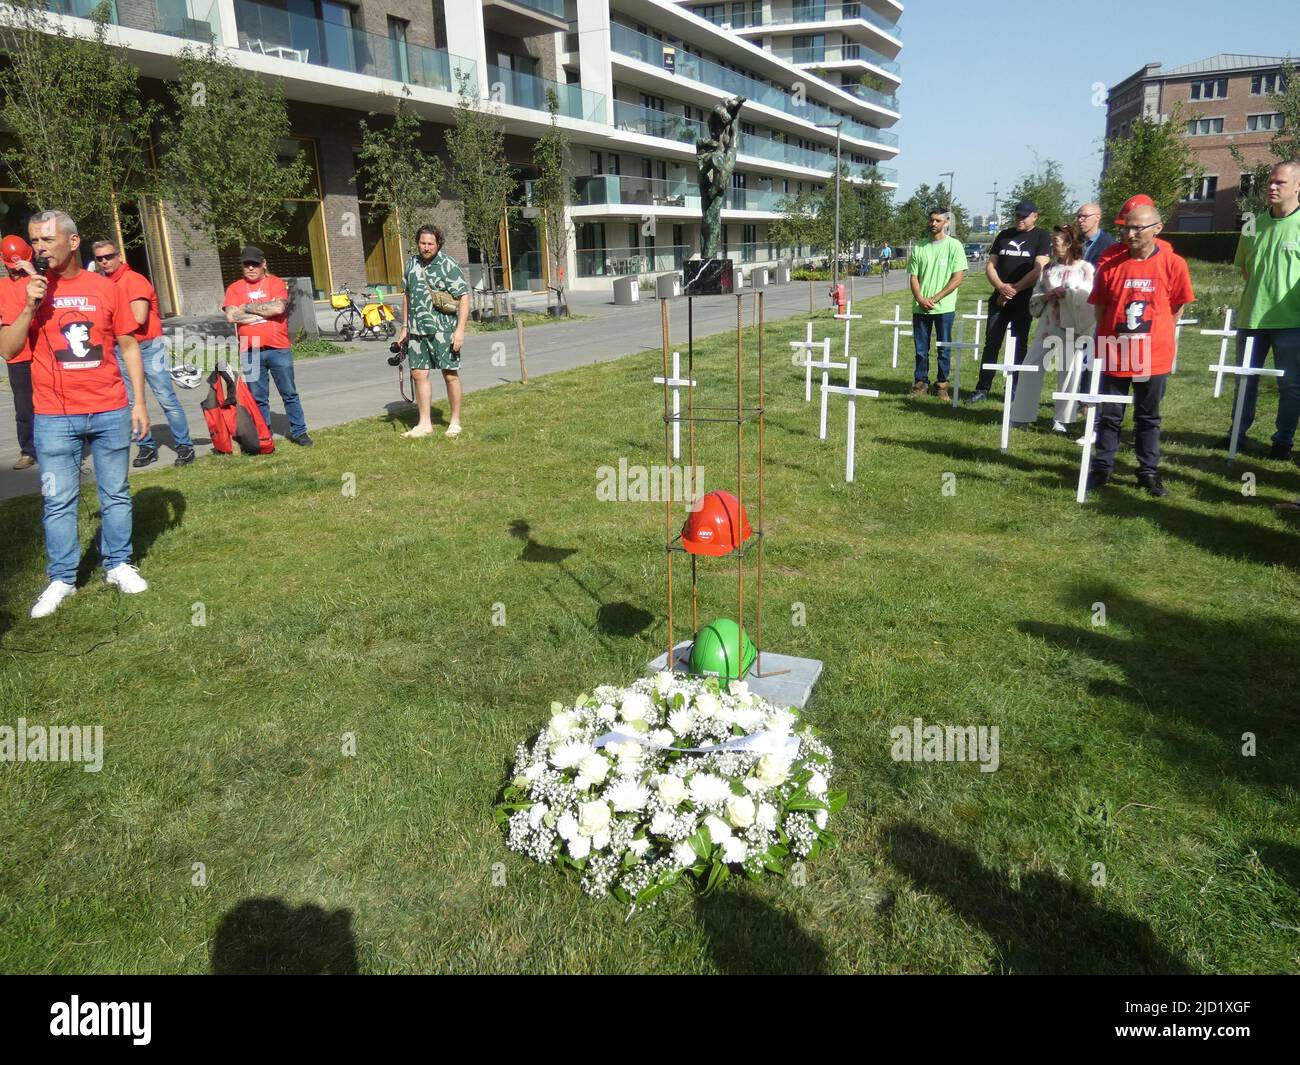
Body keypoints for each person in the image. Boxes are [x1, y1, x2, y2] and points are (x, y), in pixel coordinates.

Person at [0, 210, 150, 618]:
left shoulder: (105, 287)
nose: (39, 248)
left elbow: (129, 346)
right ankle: (62, 577)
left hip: (109, 407)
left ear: (73, 241)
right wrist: (30, 306)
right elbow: (8, 349)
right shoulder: (25, 290)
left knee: (115, 492)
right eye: (35, 241)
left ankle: (118, 563)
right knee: (57, 499)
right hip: (53, 416)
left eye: (47, 240)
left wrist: (138, 402)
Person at [1086, 203, 1195, 497]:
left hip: (1152, 356)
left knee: (1148, 417)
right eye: (1126, 227)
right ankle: (1102, 466)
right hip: (1114, 352)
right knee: (1109, 414)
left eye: (1137, 228)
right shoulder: (1111, 262)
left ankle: (1147, 470)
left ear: (1157, 229)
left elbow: (1177, 308)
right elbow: (1100, 308)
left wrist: (1156, 336)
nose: (1130, 233)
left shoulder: (1174, 264)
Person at [91, 239, 195, 468]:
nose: (105, 261)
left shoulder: (133, 280)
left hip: (147, 347)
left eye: (108, 256)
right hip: (120, 348)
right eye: (99, 258)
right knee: (130, 402)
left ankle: (184, 445)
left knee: (166, 398)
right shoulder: (103, 284)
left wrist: (104, 323)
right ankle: (146, 447)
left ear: (119, 256)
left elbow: (138, 317)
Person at [1223, 160, 1300, 459]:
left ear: (1297, 186)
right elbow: (1246, 270)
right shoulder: (1253, 223)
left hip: (1292, 322)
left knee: (1291, 385)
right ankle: (1237, 436)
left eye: (1280, 182)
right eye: (1270, 181)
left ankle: (1282, 443)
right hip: (1251, 318)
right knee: (1245, 381)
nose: (1272, 186)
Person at [222, 246, 311, 446]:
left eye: (255, 264)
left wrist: (246, 308)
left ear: (264, 264)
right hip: (250, 351)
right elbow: (231, 316)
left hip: (278, 349)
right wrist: (264, 310)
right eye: (247, 264)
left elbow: (278, 307)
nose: (251, 268)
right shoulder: (234, 288)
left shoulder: (275, 283)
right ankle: (264, 435)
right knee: (258, 397)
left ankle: (299, 432)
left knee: (289, 393)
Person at [1011, 223, 1095, 429]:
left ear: (1069, 243)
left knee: (1069, 370)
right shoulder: (1048, 269)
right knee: (1031, 365)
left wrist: (1069, 293)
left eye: (1057, 241)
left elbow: (1088, 297)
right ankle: (1022, 415)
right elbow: (1036, 296)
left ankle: (1062, 419)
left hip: (1071, 327)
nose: (1053, 245)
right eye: (1053, 241)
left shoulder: (1085, 268)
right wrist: (1047, 295)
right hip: (1048, 326)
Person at [968, 201, 1051, 403]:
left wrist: (1013, 290)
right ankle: (982, 388)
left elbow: (1038, 269)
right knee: (992, 344)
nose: (1019, 220)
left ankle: (1015, 389)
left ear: (1035, 216)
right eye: (1017, 216)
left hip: (1023, 301)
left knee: (1019, 345)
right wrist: (1000, 287)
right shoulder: (1004, 235)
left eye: (1024, 216)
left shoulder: (1041, 236)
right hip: (999, 299)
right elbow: (990, 266)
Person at [397, 224, 469, 438]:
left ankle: (455, 421)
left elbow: (464, 297)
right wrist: (404, 328)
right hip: (417, 331)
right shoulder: (411, 263)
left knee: (450, 374)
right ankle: (424, 423)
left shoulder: (448, 264)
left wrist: (460, 331)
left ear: (438, 244)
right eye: (422, 243)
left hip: (444, 331)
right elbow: (406, 295)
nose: (426, 247)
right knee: (418, 374)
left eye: (430, 244)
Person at [907, 210, 966, 401]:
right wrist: (920, 298)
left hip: (944, 308)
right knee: (921, 349)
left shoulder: (954, 246)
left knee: (944, 348)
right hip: (921, 307)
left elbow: (958, 277)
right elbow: (913, 276)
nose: (933, 223)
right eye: (931, 220)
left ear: (946, 223)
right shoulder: (920, 247)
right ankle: (920, 382)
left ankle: (942, 384)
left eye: (938, 220)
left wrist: (937, 297)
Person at [1, 236, 36, 470]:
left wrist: (32, 273)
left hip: (43, 350)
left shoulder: (37, 280)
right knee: (23, 405)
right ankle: (28, 450)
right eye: (11, 267)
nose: (15, 271)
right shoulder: (2, 287)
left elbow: (52, 295)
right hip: (18, 355)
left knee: (53, 399)